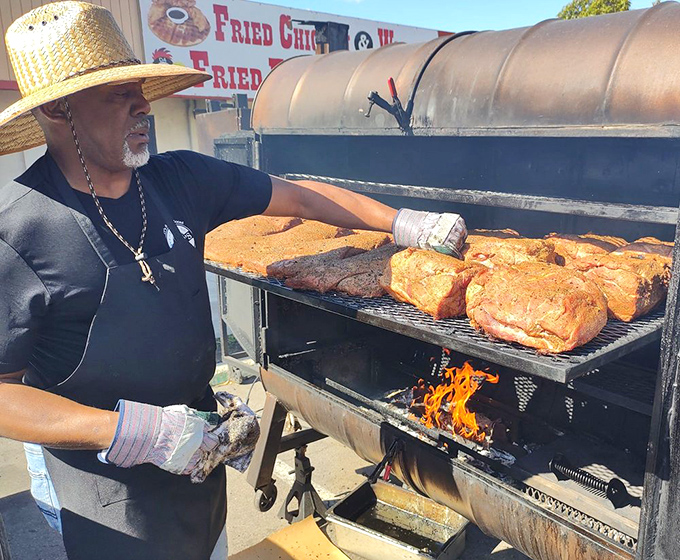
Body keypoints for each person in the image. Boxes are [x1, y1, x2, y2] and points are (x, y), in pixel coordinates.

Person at [0, 2, 468, 560]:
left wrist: (402, 223)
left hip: (198, 458)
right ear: (58, 109)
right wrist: (127, 431)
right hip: (105, 489)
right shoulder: (21, 231)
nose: (143, 105)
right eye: (118, 95)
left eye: (141, 89)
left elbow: (296, 195)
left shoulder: (181, 180)